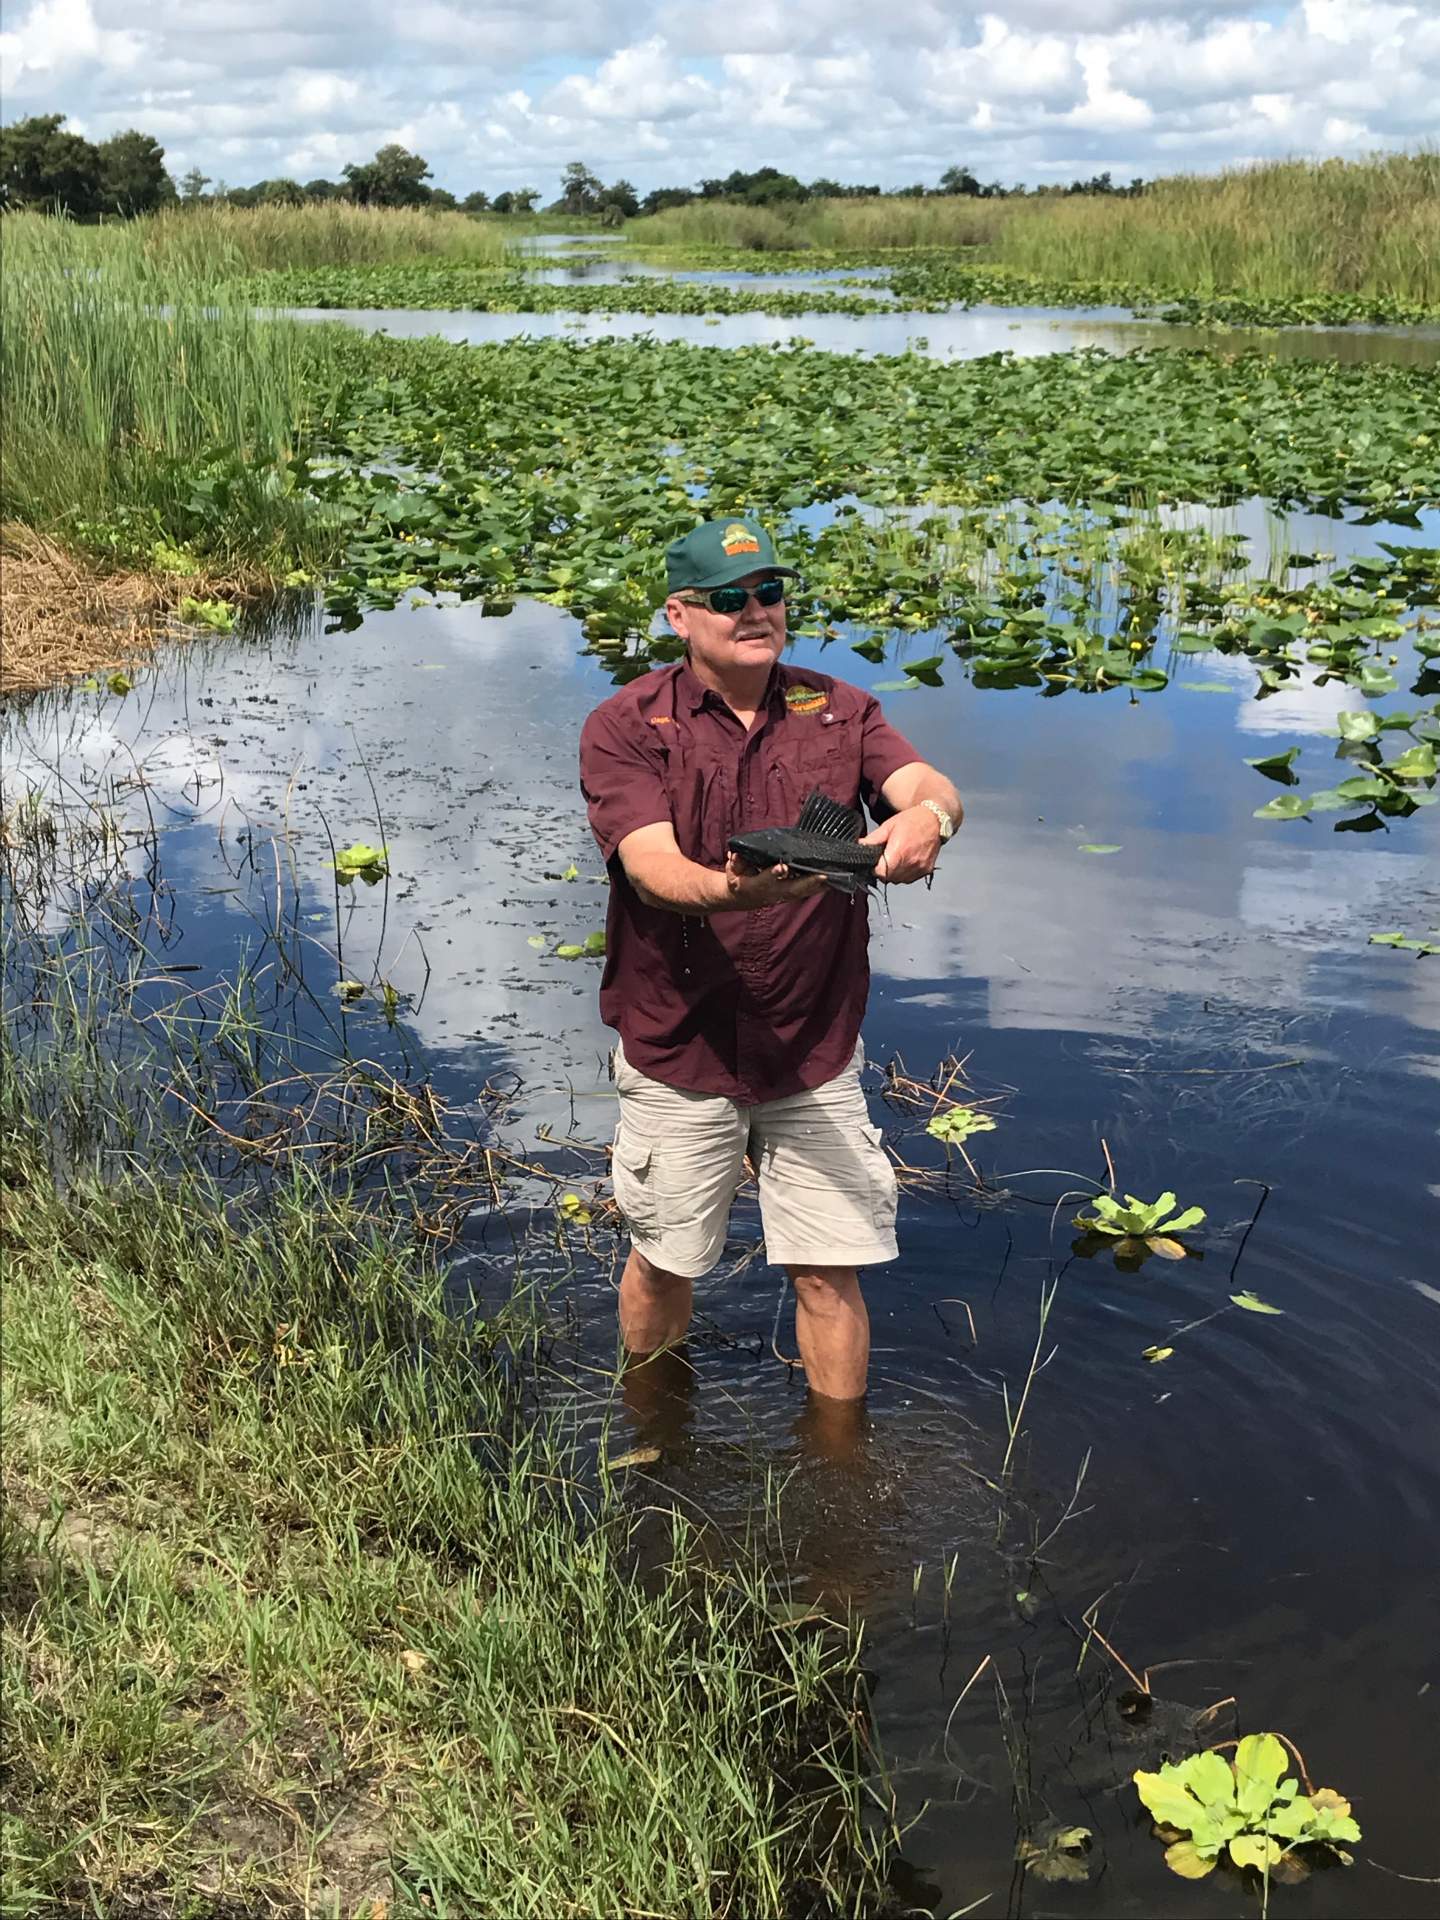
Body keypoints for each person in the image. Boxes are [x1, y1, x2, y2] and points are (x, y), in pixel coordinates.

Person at [579, 517, 962, 1405]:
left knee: (830, 1269)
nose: (754, 611)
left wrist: (928, 819)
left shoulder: (842, 708)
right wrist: (737, 892)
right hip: (681, 1045)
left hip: (811, 1046)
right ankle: (654, 1425)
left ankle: (842, 1461)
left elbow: (923, 785)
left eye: (769, 592)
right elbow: (651, 867)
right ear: (680, 615)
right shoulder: (625, 724)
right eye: (728, 598)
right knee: (666, 1259)